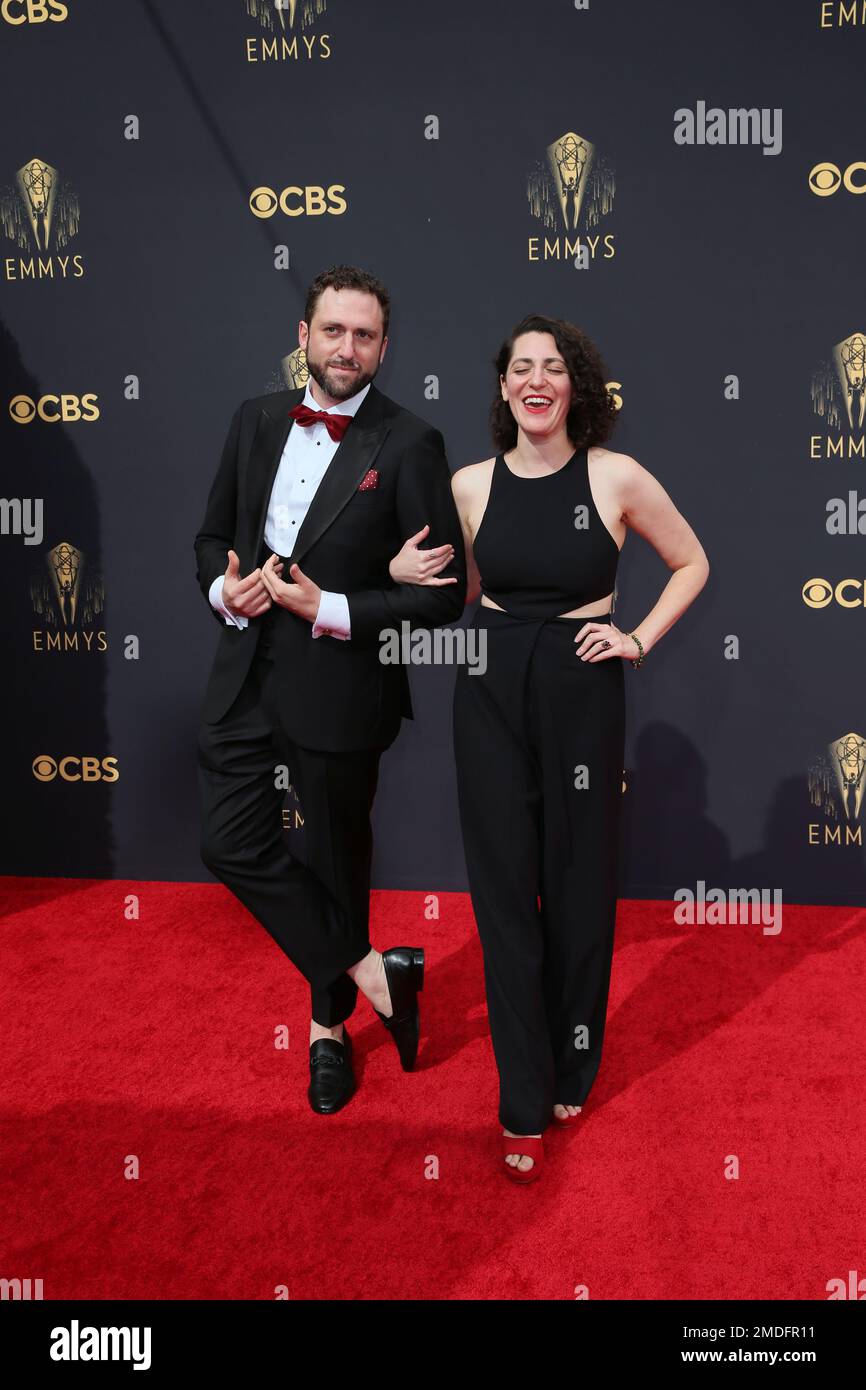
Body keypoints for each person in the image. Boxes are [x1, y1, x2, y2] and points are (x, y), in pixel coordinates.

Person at [389, 313, 709, 1182]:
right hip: (489, 685)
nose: (537, 380)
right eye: (521, 367)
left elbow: (692, 562)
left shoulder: (616, 476)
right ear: (502, 388)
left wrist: (635, 638)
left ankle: (574, 1061)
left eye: (554, 367)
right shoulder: (466, 486)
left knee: (576, 882)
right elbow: (465, 595)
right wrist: (399, 579)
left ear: (577, 387)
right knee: (501, 890)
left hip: (581, 687)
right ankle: (521, 1094)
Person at [195, 264, 466, 1115]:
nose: (346, 349)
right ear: (304, 338)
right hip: (247, 669)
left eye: (364, 335)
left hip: (344, 682)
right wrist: (222, 591)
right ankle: (374, 974)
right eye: (332, 331)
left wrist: (336, 606)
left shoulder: (412, 442)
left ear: (385, 347)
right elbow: (211, 537)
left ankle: (327, 1032)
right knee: (229, 844)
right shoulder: (254, 420)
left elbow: (439, 597)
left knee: (335, 862)